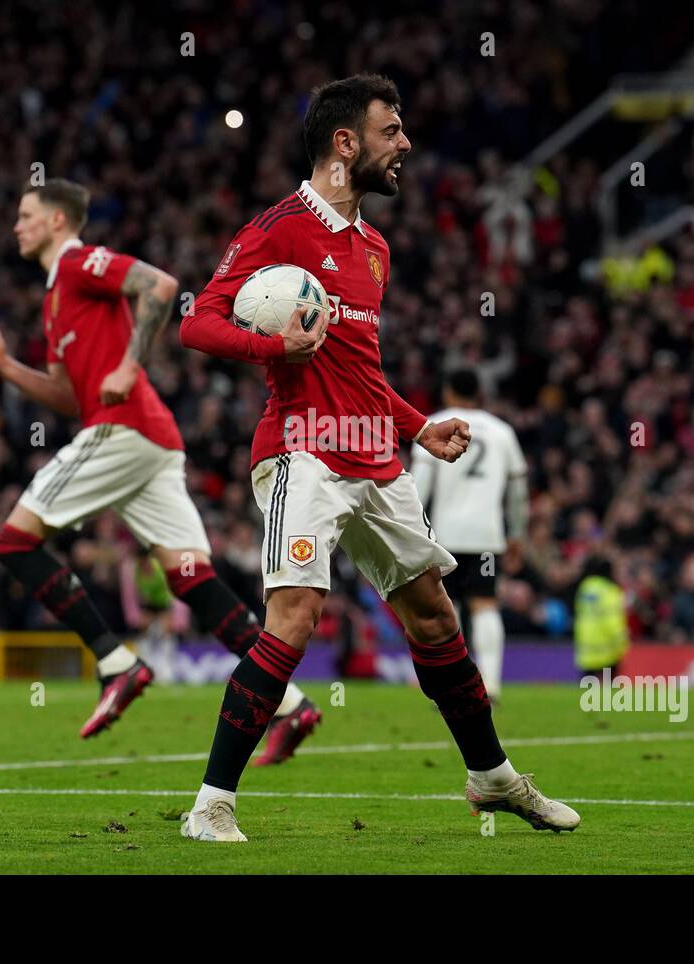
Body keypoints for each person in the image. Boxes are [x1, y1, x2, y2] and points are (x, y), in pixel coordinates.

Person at [178, 73, 580, 841]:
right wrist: (273, 345)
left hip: (373, 456)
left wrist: (418, 424)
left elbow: (362, 371)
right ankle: (212, 805)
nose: (405, 144)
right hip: (301, 452)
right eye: (391, 131)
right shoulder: (279, 229)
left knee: (433, 616)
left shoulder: (374, 249)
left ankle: (492, 778)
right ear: (345, 143)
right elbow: (197, 323)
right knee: (296, 615)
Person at [0, 178, 320, 755]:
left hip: (123, 431)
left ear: (58, 221)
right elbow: (67, 395)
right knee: (189, 576)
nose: (17, 225)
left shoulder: (81, 262)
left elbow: (158, 284)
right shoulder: (55, 297)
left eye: (26, 214)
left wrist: (132, 365)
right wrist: (5, 365)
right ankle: (291, 703)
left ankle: (115, 664)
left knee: (13, 544)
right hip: (151, 441)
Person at [412, 369, 528, 700]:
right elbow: (517, 492)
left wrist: (412, 531)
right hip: (487, 538)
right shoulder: (503, 432)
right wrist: (516, 533)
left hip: (443, 536)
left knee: (447, 608)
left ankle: (456, 686)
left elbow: (419, 487)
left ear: (448, 392)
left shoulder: (432, 425)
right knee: (485, 604)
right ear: (479, 393)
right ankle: (490, 684)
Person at [573, 557, 630, 680]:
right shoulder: (610, 590)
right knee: (609, 691)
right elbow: (612, 620)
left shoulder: (585, 587)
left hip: (586, 648)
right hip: (606, 649)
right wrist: (622, 643)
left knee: (585, 690)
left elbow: (579, 613)